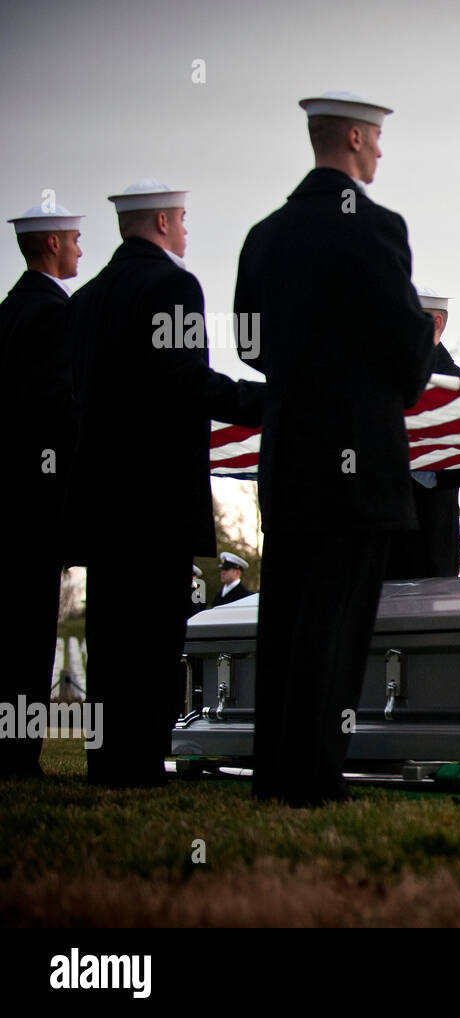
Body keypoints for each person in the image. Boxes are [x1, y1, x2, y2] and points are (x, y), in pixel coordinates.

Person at [234, 91, 435, 805]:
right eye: (376, 140)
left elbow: (249, 345)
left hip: (289, 448)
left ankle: (273, 768)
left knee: (285, 613)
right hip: (357, 451)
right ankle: (313, 774)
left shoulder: (264, 234)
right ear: (354, 138)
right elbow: (405, 340)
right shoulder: (376, 228)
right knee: (337, 618)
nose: (380, 152)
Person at [67, 180, 265, 788]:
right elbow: (187, 380)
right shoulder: (173, 285)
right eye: (181, 220)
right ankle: (142, 761)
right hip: (155, 493)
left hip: (101, 493)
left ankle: (108, 760)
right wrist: (268, 403)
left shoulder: (87, 298)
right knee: (153, 635)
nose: (185, 232)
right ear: (160, 223)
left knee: (109, 632)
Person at [0, 200, 83, 777]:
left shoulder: (7, 312)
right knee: (30, 632)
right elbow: (62, 409)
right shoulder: (56, 316)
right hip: (38, 497)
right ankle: (17, 754)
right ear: (51, 243)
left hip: (9, 493)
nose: (80, 248)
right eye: (75, 239)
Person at [385, 288, 460, 580]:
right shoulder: (383, 376)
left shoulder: (459, 385)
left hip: (428, 530)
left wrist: (428, 472)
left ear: (435, 324)